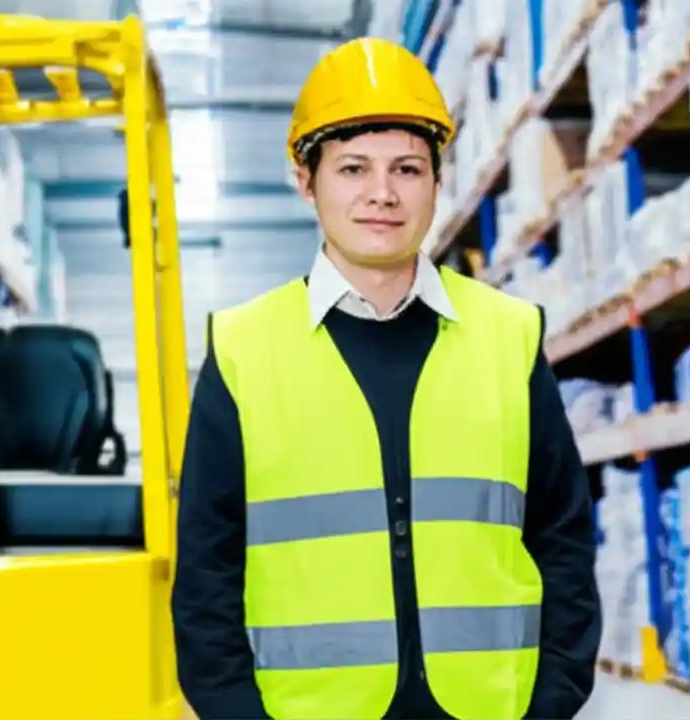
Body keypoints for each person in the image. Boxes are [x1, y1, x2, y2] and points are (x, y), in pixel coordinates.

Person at [170, 36, 601, 720]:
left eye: (406, 168)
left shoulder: (509, 335)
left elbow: (564, 540)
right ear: (306, 182)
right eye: (352, 169)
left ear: (436, 183)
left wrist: (551, 701)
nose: (381, 193)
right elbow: (205, 576)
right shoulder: (244, 350)